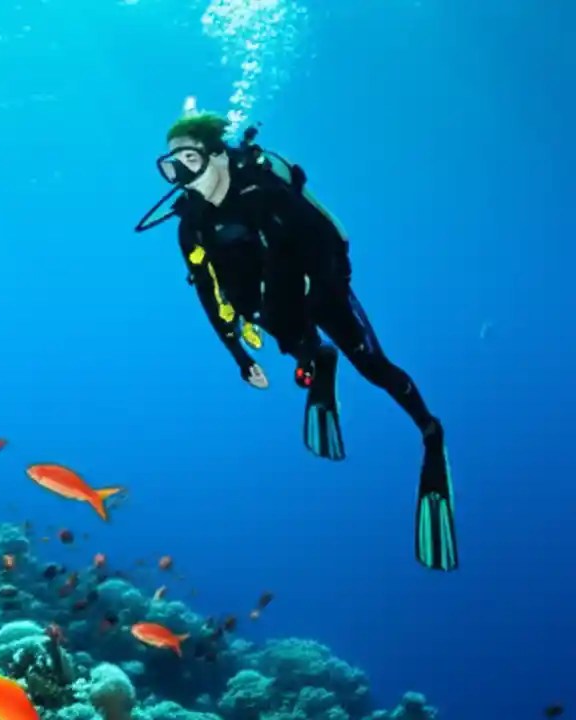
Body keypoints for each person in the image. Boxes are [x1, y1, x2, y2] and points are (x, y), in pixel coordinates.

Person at [136, 109, 459, 572]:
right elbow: (207, 291)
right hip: (271, 310)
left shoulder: (268, 196)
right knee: (297, 342)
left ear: (217, 155)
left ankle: (429, 429)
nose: (181, 175)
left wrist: (320, 297)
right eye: (171, 166)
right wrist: (238, 354)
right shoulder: (193, 224)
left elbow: (331, 245)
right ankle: (316, 360)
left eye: (188, 159)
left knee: (371, 366)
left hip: (319, 290)